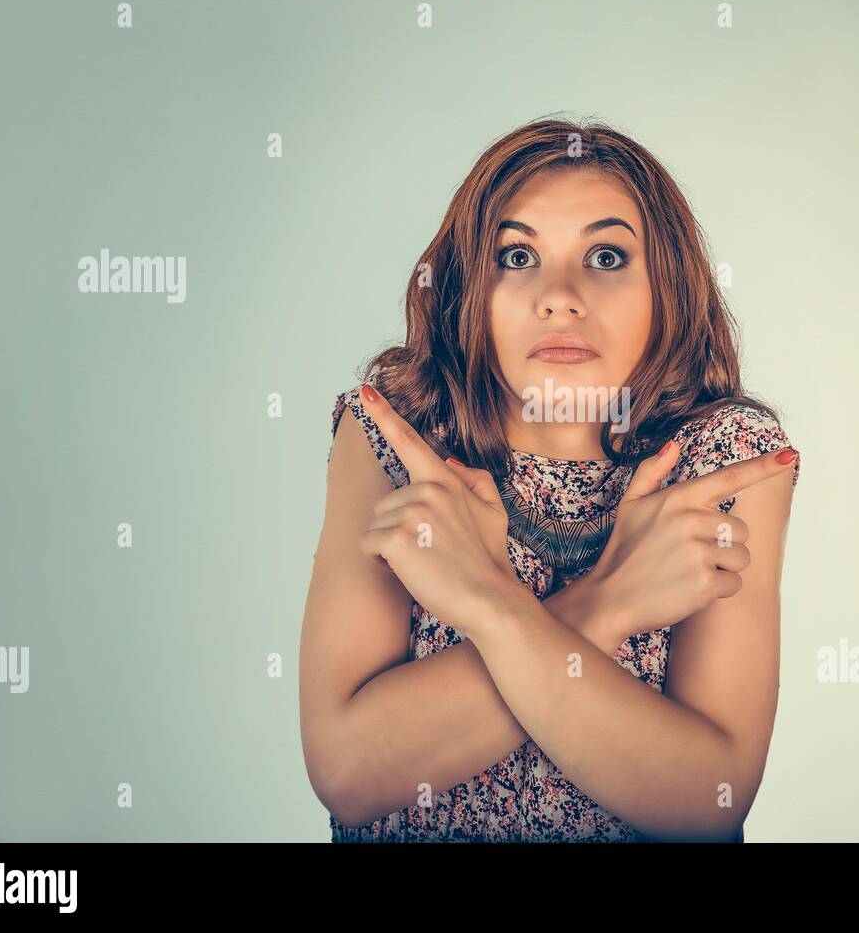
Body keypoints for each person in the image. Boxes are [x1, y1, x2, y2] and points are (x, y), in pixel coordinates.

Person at [299, 115, 801, 842]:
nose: (560, 296)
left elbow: (706, 799)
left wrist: (488, 605)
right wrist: (610, 600)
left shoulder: (725, 457)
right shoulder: (393, 434)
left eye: (604, 256)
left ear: (669, 288)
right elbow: (350, 773)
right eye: (516, 255)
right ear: (470, 288)